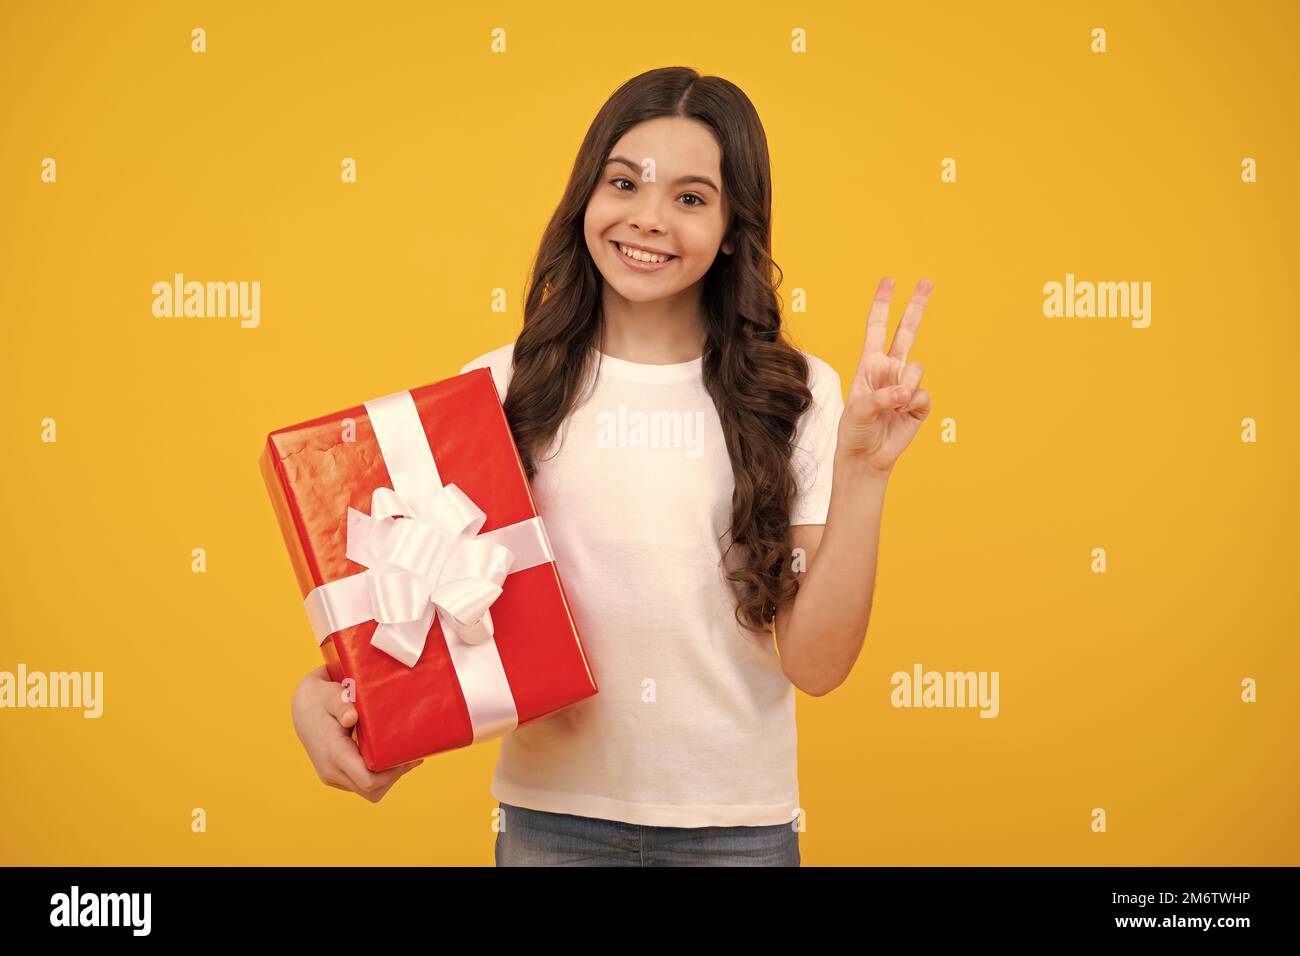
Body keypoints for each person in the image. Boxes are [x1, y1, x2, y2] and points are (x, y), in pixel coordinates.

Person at [290, 65, 933, 866]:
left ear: (735, 227)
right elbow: (406, 584)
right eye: (624, 182)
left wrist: (865, 473)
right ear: (586, 195)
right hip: (549, 826)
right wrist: (327, 697)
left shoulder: (798, 394)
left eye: (691, 198)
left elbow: (818, 664)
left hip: (738, 832)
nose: (648, 218)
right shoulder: (497, 387)